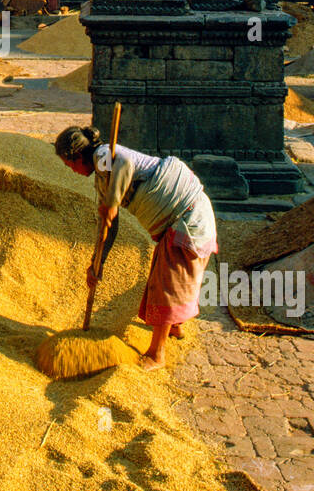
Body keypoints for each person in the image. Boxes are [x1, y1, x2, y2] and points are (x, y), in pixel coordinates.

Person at [54, 125, 217, 371]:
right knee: (167, 276)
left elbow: (126, 164)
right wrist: (97, 263)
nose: (72, 171)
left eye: (70, 166)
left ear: (76, 156)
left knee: (169, 283)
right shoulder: (102, 179)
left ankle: (156, 353)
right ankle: (173, 325)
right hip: (179, 221)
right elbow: (109, 226)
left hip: (187, 216)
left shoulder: (103, 157)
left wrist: (113, 201)